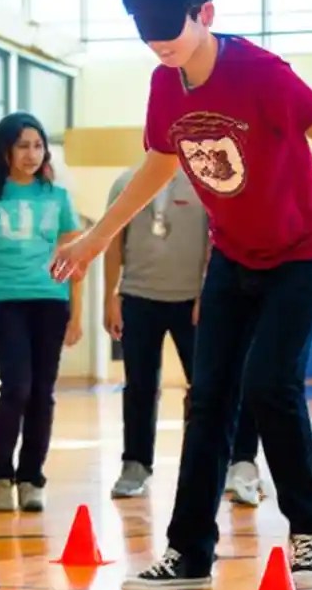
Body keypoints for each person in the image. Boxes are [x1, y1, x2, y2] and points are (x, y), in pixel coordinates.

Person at [50, 0, 312, 590]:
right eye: (142, 29)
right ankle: (188, 554)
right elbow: (157, 164)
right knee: (206, 398)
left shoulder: (262, 74)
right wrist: (97, 238)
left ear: (205, 12)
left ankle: (310, 526)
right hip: (234, 255)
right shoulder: (163, 83)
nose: (156, 43)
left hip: (302, 251)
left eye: (166, 27)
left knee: (269, 382)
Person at [104, 166, 265, 504]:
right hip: (137, 295)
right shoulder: (125, 183)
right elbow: (113, 242)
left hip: (190, 301)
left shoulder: (203, 183)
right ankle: (135, 464)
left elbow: (215, 242)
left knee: (205, 389)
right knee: (139, 386)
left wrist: (205, 294)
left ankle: (202, 466)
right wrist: (111, 295)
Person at [0, 112, 84, 514]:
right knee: (16, 386)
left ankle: (31, 477)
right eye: (22, 146)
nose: (32, 154)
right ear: (4, 150)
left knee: (42, 394)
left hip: (50, 301)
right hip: (3, 300)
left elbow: (73, 258)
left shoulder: (57, 196)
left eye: (37, 145)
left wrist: (76, 313)